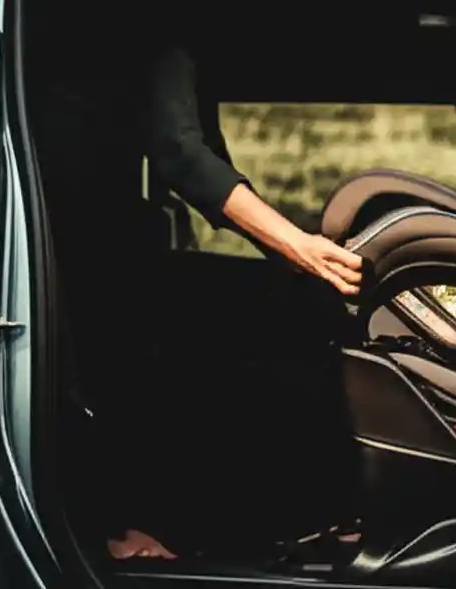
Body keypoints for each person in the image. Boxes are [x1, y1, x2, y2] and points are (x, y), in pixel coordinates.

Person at [101, 41, 365, 561]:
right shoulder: (150, 7)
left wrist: (281, 247)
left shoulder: (186, 39)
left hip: (115, 244)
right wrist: (291, 243)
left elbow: (206, 154)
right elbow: (179, 153)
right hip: (72, 245)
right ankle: (108, 530)